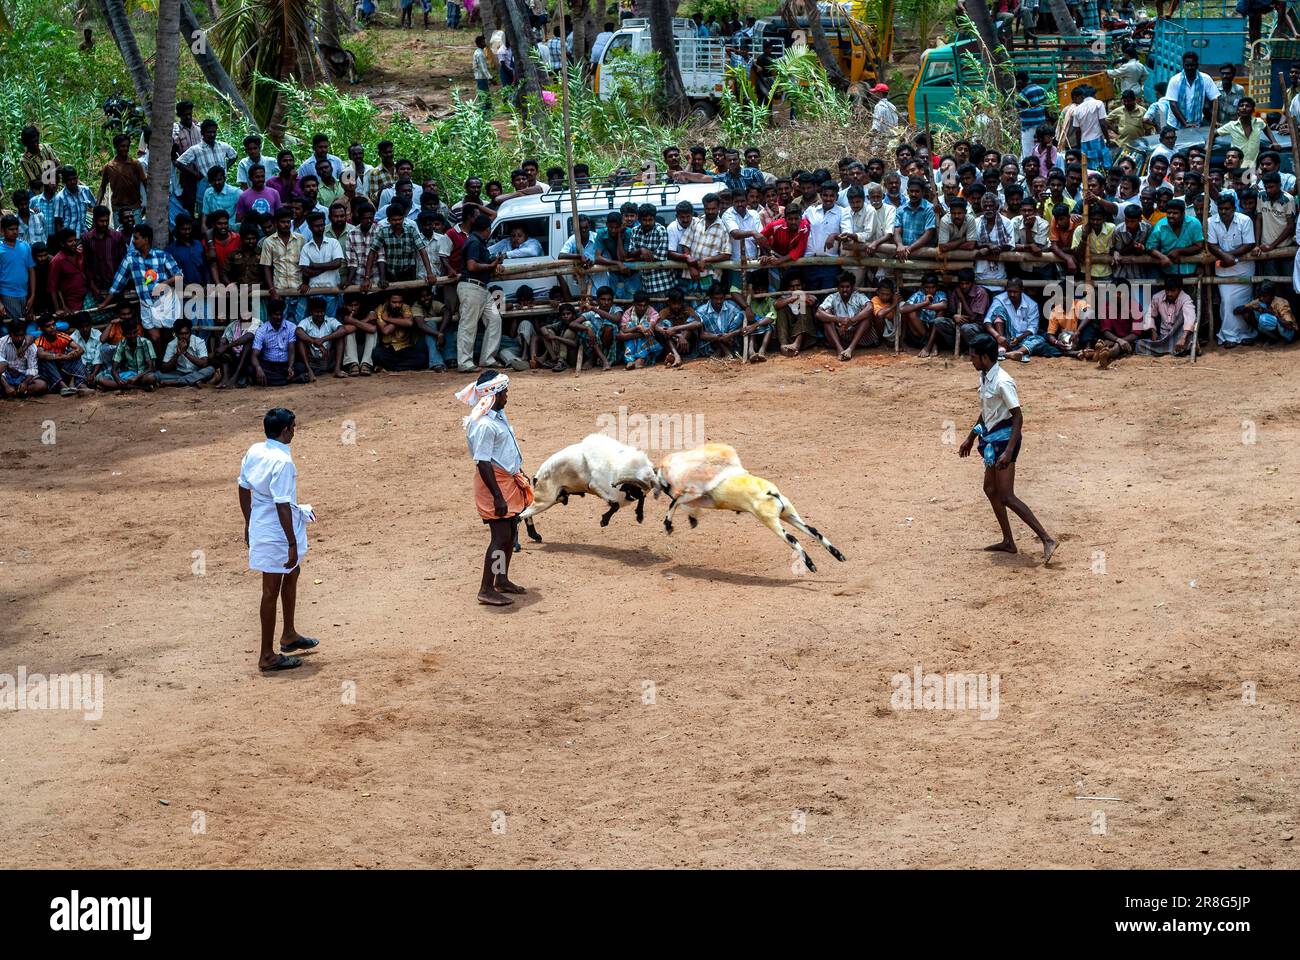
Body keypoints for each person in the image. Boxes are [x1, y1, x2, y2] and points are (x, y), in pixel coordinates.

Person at [958, 334, 1057, 564]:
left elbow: (1018, 417)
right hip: (993, 440)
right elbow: (987, 412)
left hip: (1005, 442)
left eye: (973, 356)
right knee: (990, 488)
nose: (970, 360)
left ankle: (1047, 539)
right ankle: (1008, 541)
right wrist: (971, 437)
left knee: (1007, 495)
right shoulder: (985, 377)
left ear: (984, 357)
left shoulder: (1003, 381)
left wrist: (1009, 452)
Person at [238, 407, 319, 671]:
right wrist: (292, 543)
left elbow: (243, 486)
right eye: (293, 427)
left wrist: (249, 522)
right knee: (270, 589)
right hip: (277, 531)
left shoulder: (255, 450)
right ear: (285, 431)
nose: (295, 431)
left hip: (263, 523)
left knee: (292, 573)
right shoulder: (283, 462)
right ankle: (266, 655)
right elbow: (283, 505)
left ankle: (289, 634)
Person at [459, 370, 532, 606]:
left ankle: (501, 579)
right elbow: (483, 462)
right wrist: (497, 497)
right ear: (493, 395)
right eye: (504, 393)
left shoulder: (496, 415)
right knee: (500, 536)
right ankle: (486, 589)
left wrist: (517, 471)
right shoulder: (485, 425)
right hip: (495, 485)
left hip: (506, 480)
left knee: (509, 534)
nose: (507, 396)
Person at [1206, 195, 1256, 346]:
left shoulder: (1244, 220)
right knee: (1227, 302)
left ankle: (1247, 333)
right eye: (1220, 209)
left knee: (1244, 303)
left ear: (1234, 208)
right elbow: (1212, 245)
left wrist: (1231, 257)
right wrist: (1224, 258)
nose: (1223, 212)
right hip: (1223, 270)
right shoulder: (1211, 222)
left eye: (1227, 209)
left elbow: (1249, 244)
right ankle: (1228, 336)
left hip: (1243, 269)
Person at [815, 270, 876, 360]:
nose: (844, 290)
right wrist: (839, 319)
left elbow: (870, 307)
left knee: (867, 316)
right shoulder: (833, 297)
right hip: (840, 336)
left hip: (860, 337)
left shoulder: (858, 296)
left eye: (847, 287)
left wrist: (851, 321)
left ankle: (850, 349)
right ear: (838, 287)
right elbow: (818, 313)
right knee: (826, 314)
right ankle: (840, 349)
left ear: (852, 287)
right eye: (842, 287)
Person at [96, 312, 158, 391]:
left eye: (135, 332)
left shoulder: (146, 342)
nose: (132, 336)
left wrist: (136, 377)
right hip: (128, 375)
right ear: (124, 334)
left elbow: (151, 368)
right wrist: (118, 380)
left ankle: (125, 387)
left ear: (137, 330)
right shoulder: (121, 344)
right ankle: (140, 388)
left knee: (151, 378)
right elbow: (114, 369)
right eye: (129, 334)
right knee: (101, 380)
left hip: (143, 375)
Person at [1, 319, 47, 398]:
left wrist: (25, 383)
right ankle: (13, 391)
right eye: (16, 335)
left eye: (22, 335)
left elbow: (32, 368)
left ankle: (12, 392)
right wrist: (6, 386)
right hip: (5, 377)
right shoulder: (2, 342)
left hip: (22, 376)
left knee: (41, 385)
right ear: (10, 334)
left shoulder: (31, 347)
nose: (19, 338)